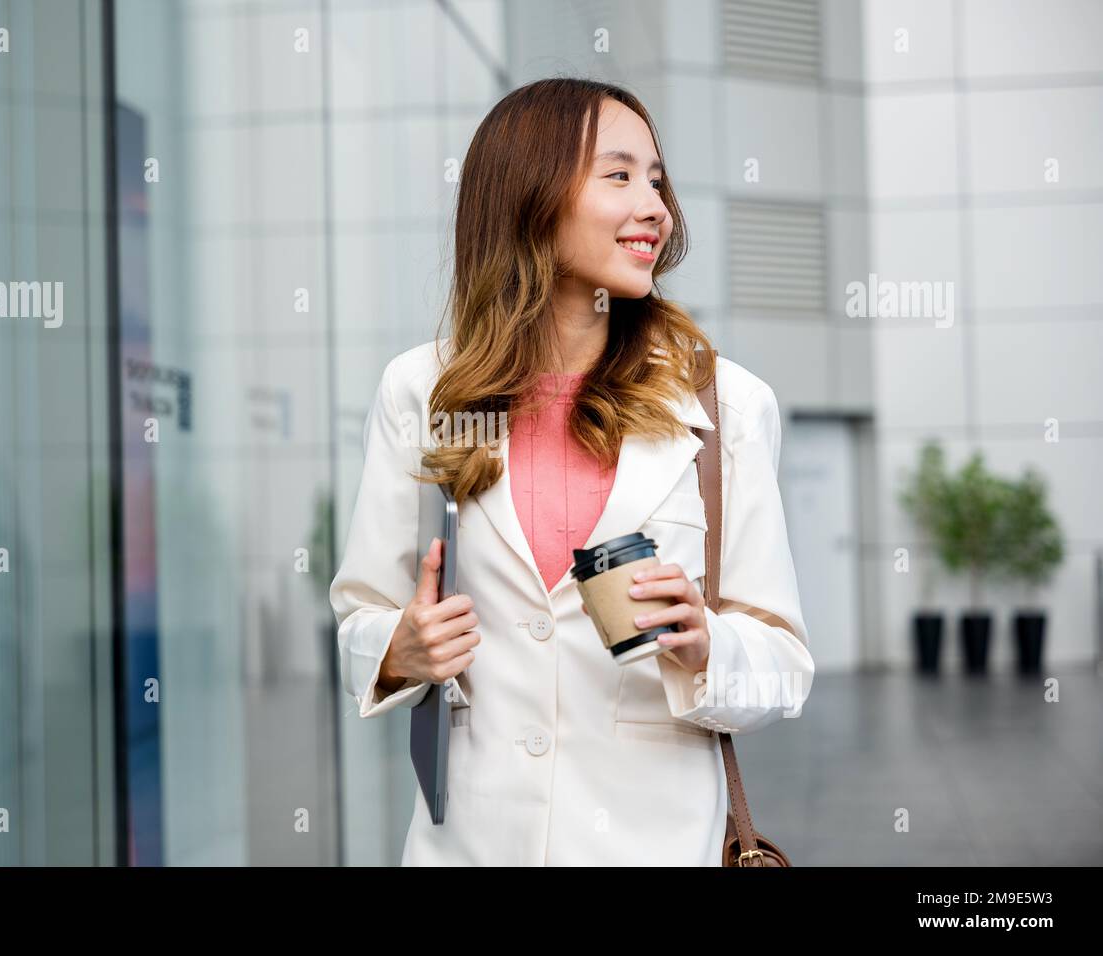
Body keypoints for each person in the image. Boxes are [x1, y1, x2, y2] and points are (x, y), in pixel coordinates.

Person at [329, 77, 814, 865]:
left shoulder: (729, 404)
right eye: (618, 176)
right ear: (529, 197)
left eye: (657, 180)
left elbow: (784, 668)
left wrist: (705, 646)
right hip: (469, 848)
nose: (655, 205)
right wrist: (398, 652)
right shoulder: (424, 392)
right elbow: (362, 618)